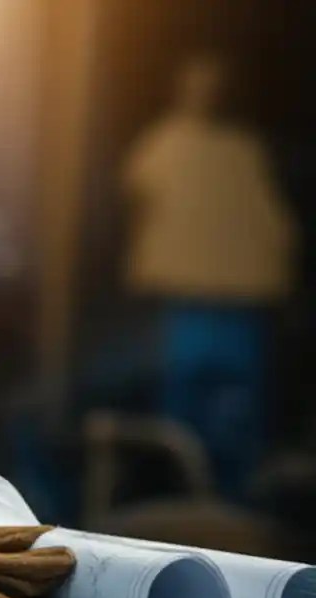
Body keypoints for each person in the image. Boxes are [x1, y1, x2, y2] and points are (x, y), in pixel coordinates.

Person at [123, 55, 297, 501]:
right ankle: (178, 493)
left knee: (237, 406)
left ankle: (234, 497)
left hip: (238, 301)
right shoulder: (166, 142)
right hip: (188, 300)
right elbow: (141, 196)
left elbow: (267, 217)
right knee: (183, 403)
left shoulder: (241, 148)